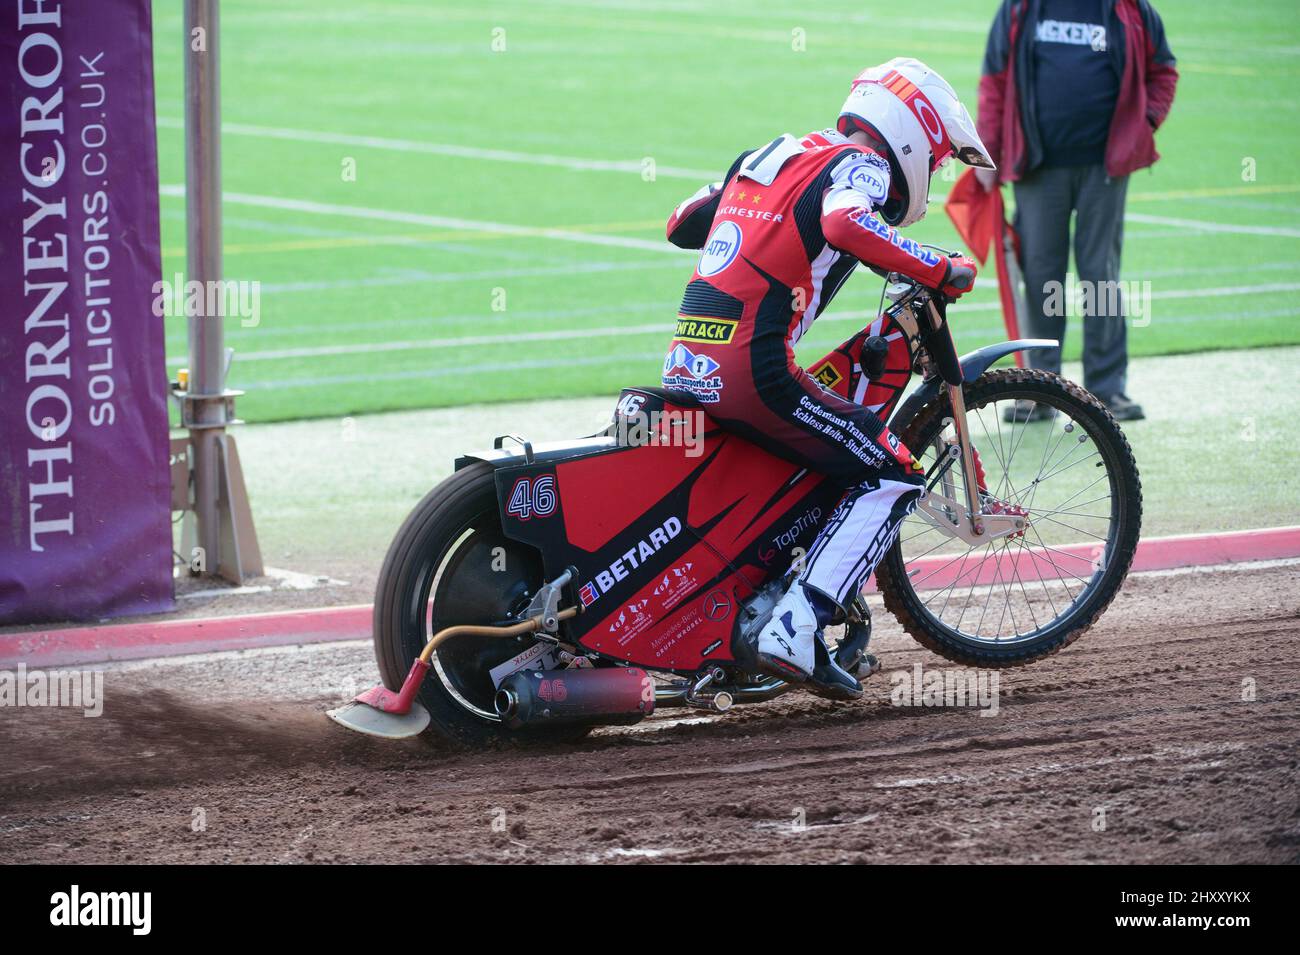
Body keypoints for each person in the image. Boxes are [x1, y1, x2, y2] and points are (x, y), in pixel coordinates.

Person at [660, 58, 994, 698]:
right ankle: (797, 624)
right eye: (943, 156)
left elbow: (683, 223)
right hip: (752, 373)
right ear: (914, 135)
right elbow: (844, 221)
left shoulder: (773, 156)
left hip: (687, 360)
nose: (942, 169)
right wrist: (936, 266)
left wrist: (760, 216)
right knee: (893, 469)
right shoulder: (858, 166)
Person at [975, 0, 1178, 422]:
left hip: (1104, 166)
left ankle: (1107, 390)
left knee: (1099, 274)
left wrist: (1144, 125)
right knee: (1040, 275)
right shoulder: (1021, 8)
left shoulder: (1129, 9)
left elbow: (1163, 71)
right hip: (1036, 165)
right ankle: (1039, 390)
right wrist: (987, 154)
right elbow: (995, 80)